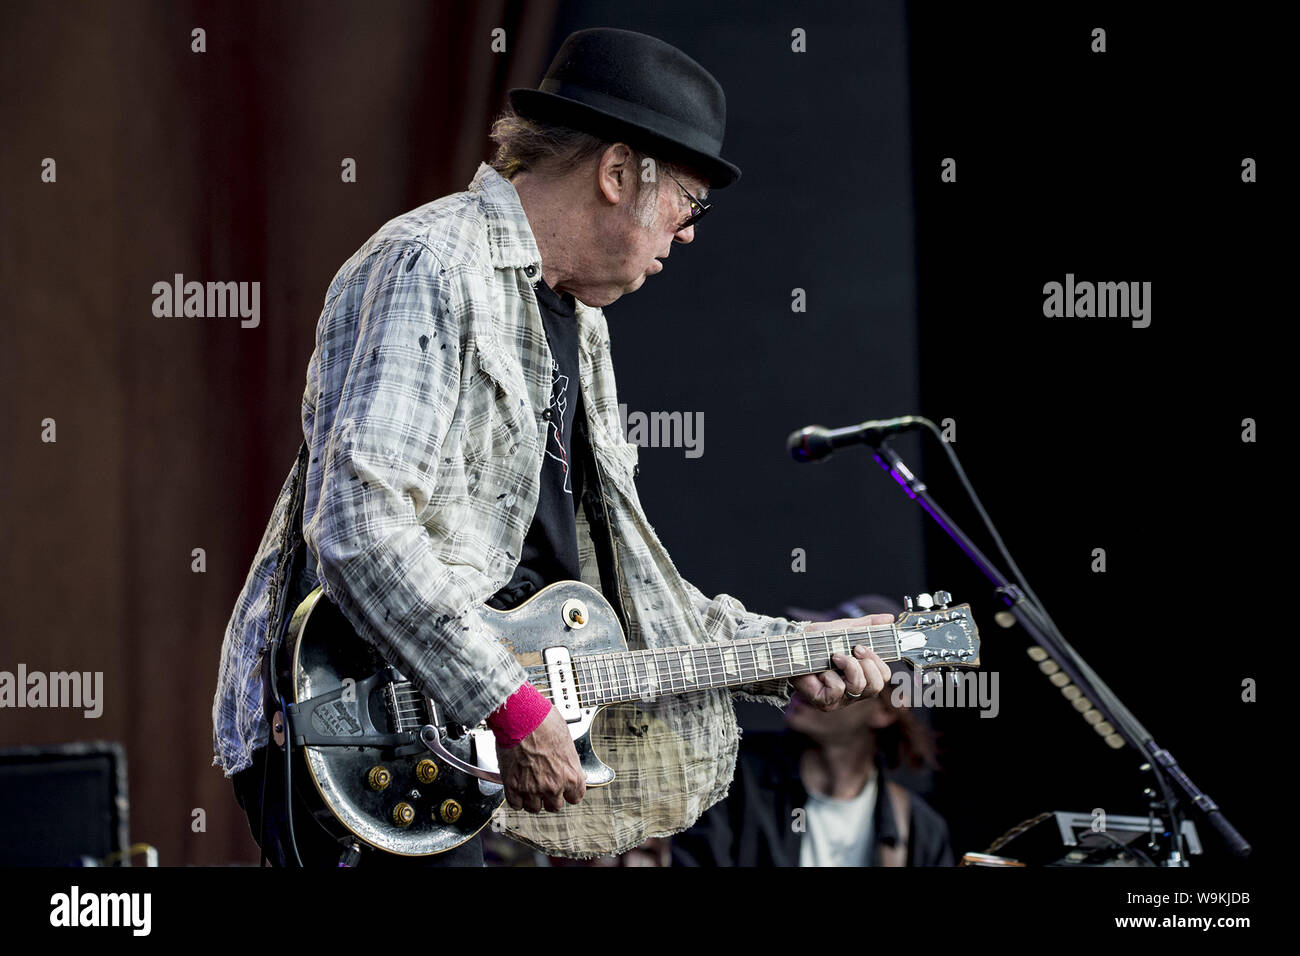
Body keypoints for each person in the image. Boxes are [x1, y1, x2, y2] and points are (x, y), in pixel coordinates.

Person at [212, 27, 893, 866]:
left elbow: (641, 599)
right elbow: (360, 525)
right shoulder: (429, 262)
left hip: (481, 753)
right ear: (616, 174)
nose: (688, 234)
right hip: (369, 736)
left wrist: (786, 659)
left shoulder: (582, 327)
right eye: (688, 200)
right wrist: (511, 705)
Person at [671, 596, 954, 867]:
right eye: (813, 658)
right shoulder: (728, 778)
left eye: (838, 669)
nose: (812, 675)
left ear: (886, 710)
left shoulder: (920, 830)